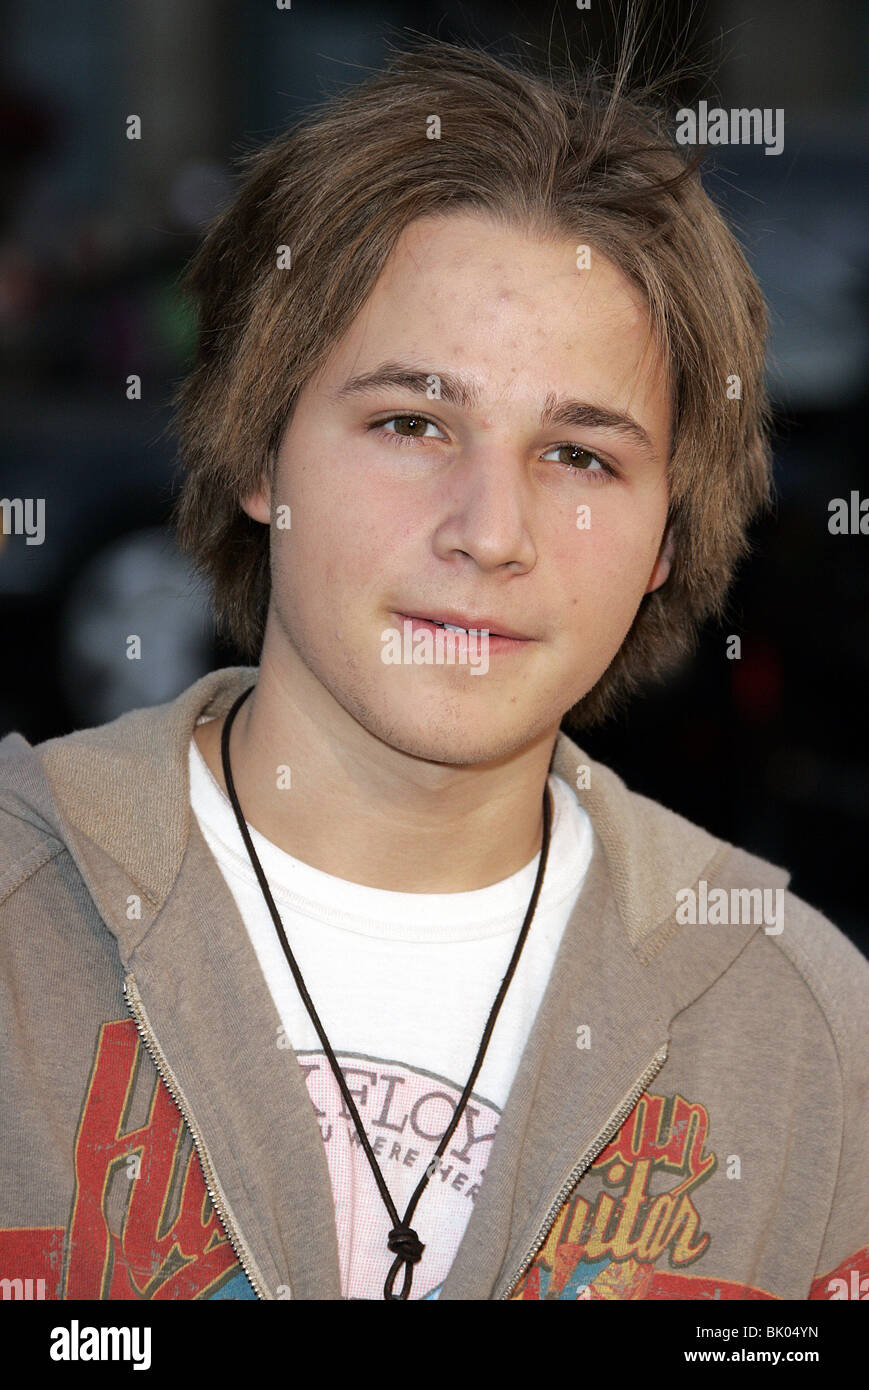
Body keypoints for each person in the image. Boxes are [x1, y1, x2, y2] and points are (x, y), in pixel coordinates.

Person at [1, 34, 867, 1304]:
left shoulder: (805, 1031)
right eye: (411, 422)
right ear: (259, 453)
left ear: (666, 543)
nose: (489, 530)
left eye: (580, 454)